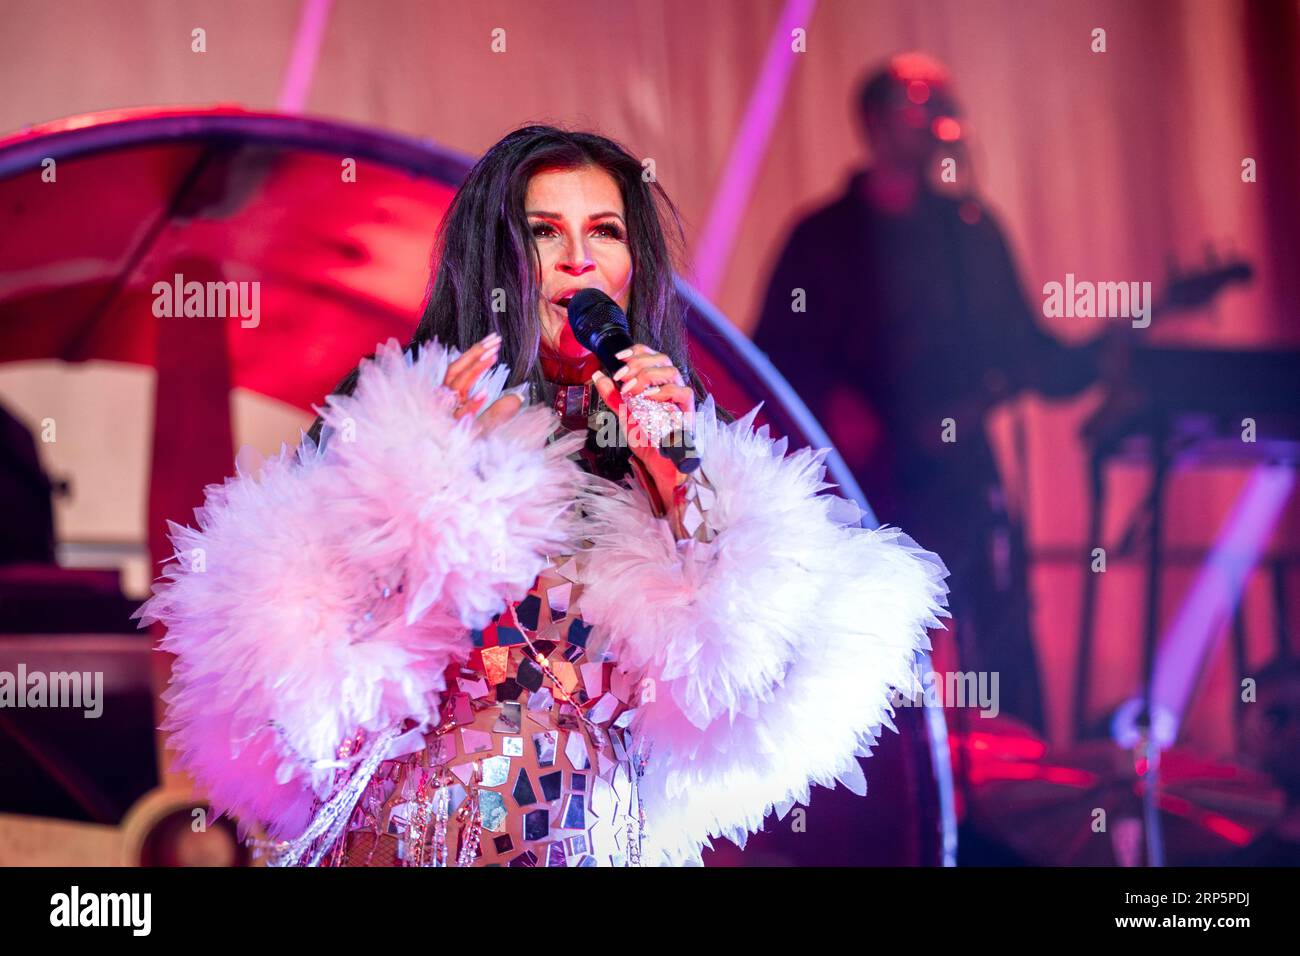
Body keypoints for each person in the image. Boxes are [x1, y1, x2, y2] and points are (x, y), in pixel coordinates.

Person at [133, 125, 949, 867]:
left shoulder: (692, 447)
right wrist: (432, 474)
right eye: (545, 233)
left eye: (605, 232)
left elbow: (752, 682)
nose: (578, 260)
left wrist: (677, 478)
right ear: (497, 258)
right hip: (411, 838)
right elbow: (292, 686)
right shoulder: (402, 413)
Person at [754, 54, 1101, 736]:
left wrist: (1112, 348)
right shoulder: (822, 236)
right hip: (860, 481)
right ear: (876, 124)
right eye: (917, 105)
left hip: (959, 481)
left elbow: (1025, 351)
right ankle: (882, 792)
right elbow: (773, 349)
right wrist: (837, 405)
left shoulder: (969, 233)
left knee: (991, 631)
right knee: (868, 640)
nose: (935, 120)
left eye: (940, 103)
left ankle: (1007, 792)